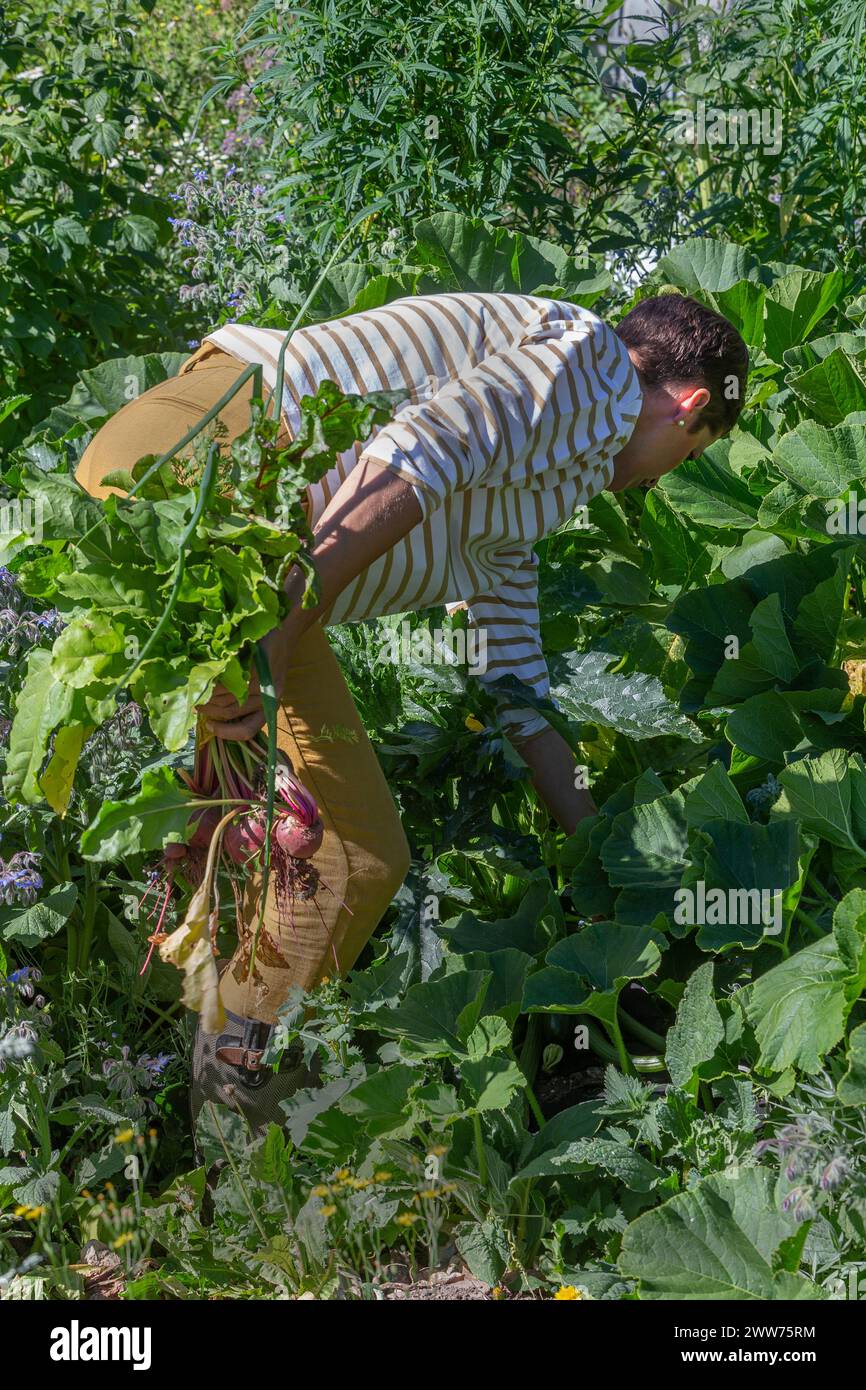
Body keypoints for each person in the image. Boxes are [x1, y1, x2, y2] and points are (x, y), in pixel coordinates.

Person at [75, 288, 749, 1131]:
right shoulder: (594, 370)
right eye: (685, 458)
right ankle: (237, 1107)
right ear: (690, 409)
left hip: (235, 523)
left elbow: (519, 698)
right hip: (212, 460)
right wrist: (280, 633)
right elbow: (427, 445)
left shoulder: (525, 502)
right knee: (353, 853)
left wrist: (608, 870)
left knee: (285, 850)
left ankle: (214, 1088)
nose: (656, 480)